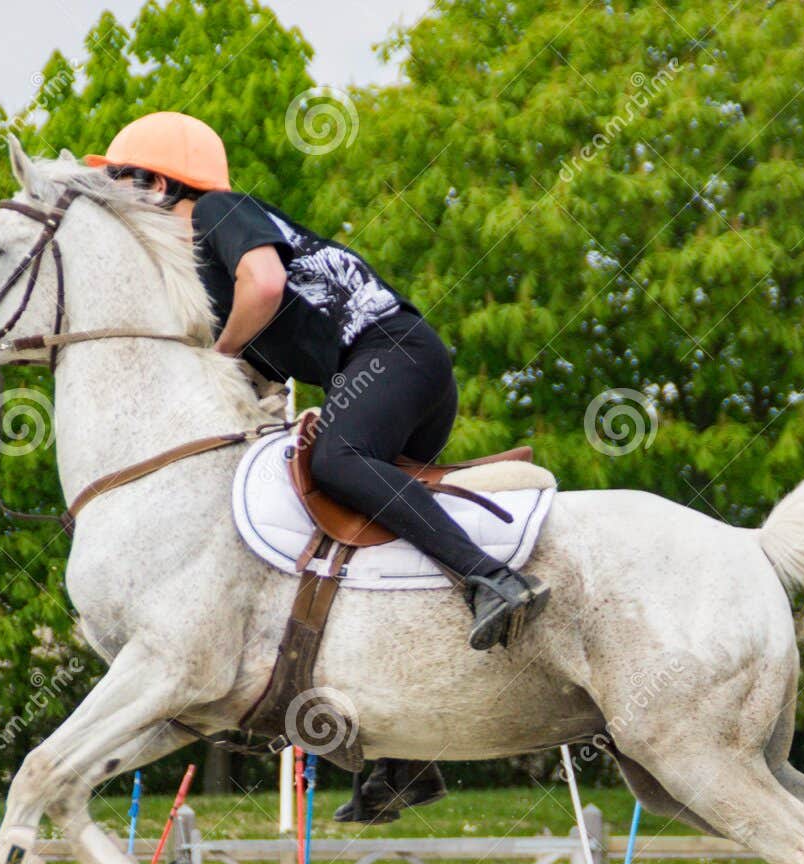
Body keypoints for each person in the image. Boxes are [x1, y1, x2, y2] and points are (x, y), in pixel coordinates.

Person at [87, 112, 544, 822]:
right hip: (383, 374)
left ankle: (494, 577)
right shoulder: (202, 276)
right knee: (341, 537)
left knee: (337, 459)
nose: (119, 202)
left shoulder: (217, 210)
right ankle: (405, 757)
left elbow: (265, 287)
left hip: (397, 356)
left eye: (121, 181)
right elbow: (266, 379)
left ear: (159, 180)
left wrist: (217, 356)